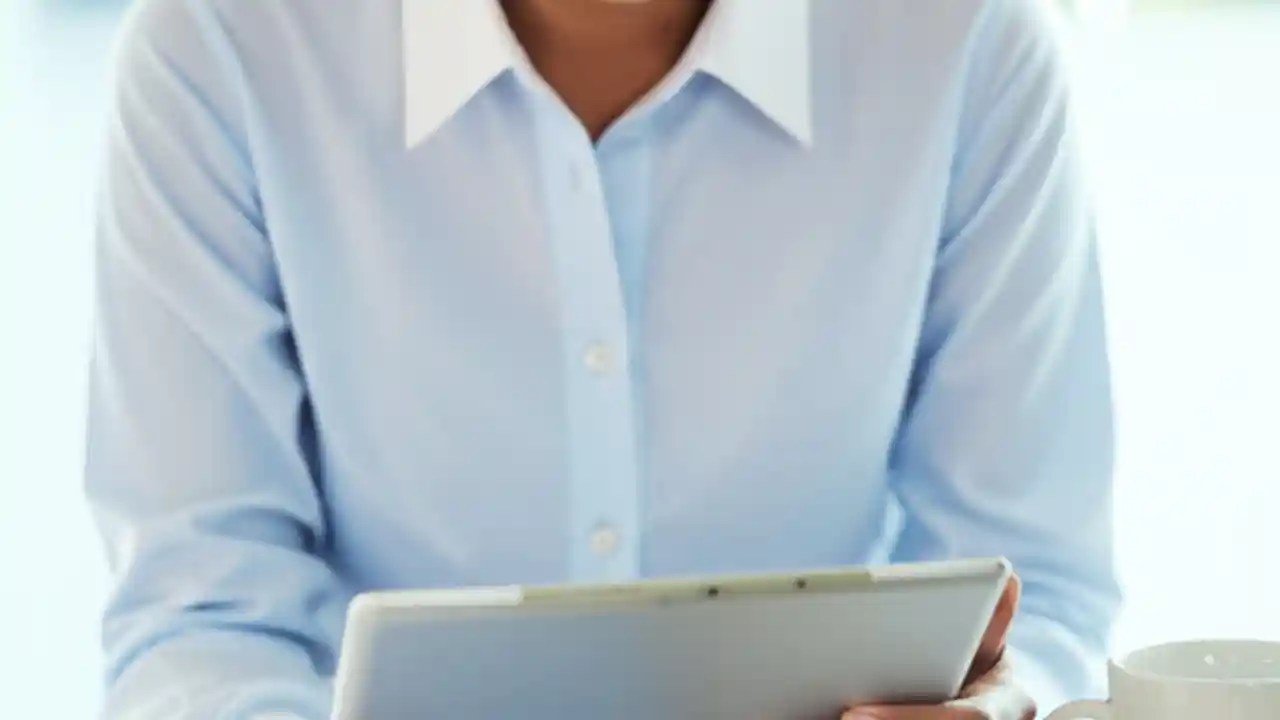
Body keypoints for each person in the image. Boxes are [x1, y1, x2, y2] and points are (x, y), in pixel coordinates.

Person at [86, 0, 1120, 717]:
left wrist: (1000, 695)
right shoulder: (219, 46)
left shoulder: (970, 41)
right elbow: (204, 614)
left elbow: (1031, 582)